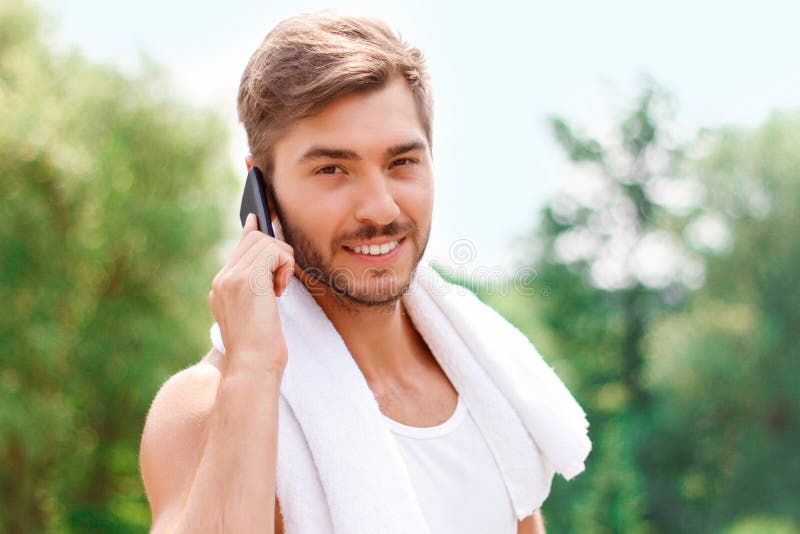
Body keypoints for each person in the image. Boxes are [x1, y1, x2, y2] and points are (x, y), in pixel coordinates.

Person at [139, 12, 582, 533]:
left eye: (402, 163)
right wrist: (255, 365)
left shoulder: (484, 370)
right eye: (332, 170)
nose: (379, 207)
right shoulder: (207, 406)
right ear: (264, 192)